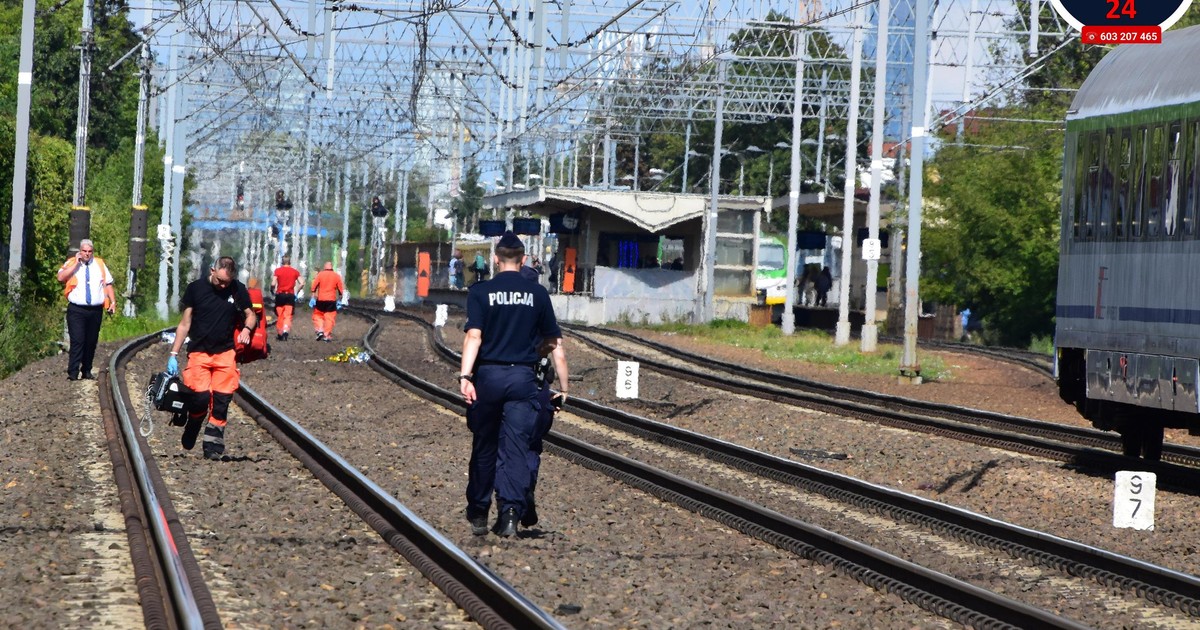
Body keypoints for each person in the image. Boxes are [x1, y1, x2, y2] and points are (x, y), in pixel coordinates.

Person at [460, 231, 567, 537]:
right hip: (522, 378)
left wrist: (466, 376)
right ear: (522, 260)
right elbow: (551, 340)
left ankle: (479, 511)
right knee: (517, 447)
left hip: (488, 378)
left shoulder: (480, 292)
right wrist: (538, 354)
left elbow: (474, 337)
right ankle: (510, 512)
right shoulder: (538, 294)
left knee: (485, 445)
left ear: (496, 259)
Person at [166, 256, 256, 460]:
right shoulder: (195, 289)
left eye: (227, 282)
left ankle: (213, 447)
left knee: (222, 401)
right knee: (200, 398)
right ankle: (194, 422)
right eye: (220, 280)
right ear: (212, 270)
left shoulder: (237, 289)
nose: (223, 285)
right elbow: (184, 324)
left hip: (225, 353)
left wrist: (248, 329)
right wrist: (173, 353)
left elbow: (251, 315)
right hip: (199, 352)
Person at [57, 239, 117, 380]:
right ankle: (73, 372)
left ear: (93, 252)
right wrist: (76, 264)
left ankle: (87, 370)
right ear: (80, 251)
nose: (87, 254)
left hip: (95, 310)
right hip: (77, 309)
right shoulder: (71, 263)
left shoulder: (99, 265)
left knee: (91, 341)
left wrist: (112, 302)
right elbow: (61, 277)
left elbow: (108, 284)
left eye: (90, 251)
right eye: (84, 251)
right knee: (78, 340)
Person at [311, 262, 347, 342]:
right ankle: (326, 335)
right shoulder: (336, 276)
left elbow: (314, 285)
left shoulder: (320, 274)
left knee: (318, 315)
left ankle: (320, 329)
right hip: (331, 300)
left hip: (321, 300)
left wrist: (313, 295)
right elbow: (340, 289)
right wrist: (340, 298)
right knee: (329, 318)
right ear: (332, 268)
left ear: (325, 267)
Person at [271, 255, 302, 341]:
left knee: (280, 314)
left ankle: (280, 332)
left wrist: (272, 290)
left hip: (280, 295)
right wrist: (297, 291)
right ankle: (285, 330)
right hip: (290, 295)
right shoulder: (295, 271)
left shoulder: (278, 271)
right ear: (290, 262)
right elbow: (302, 283)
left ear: (282, 262)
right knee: (288, 315)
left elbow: (273, 284)